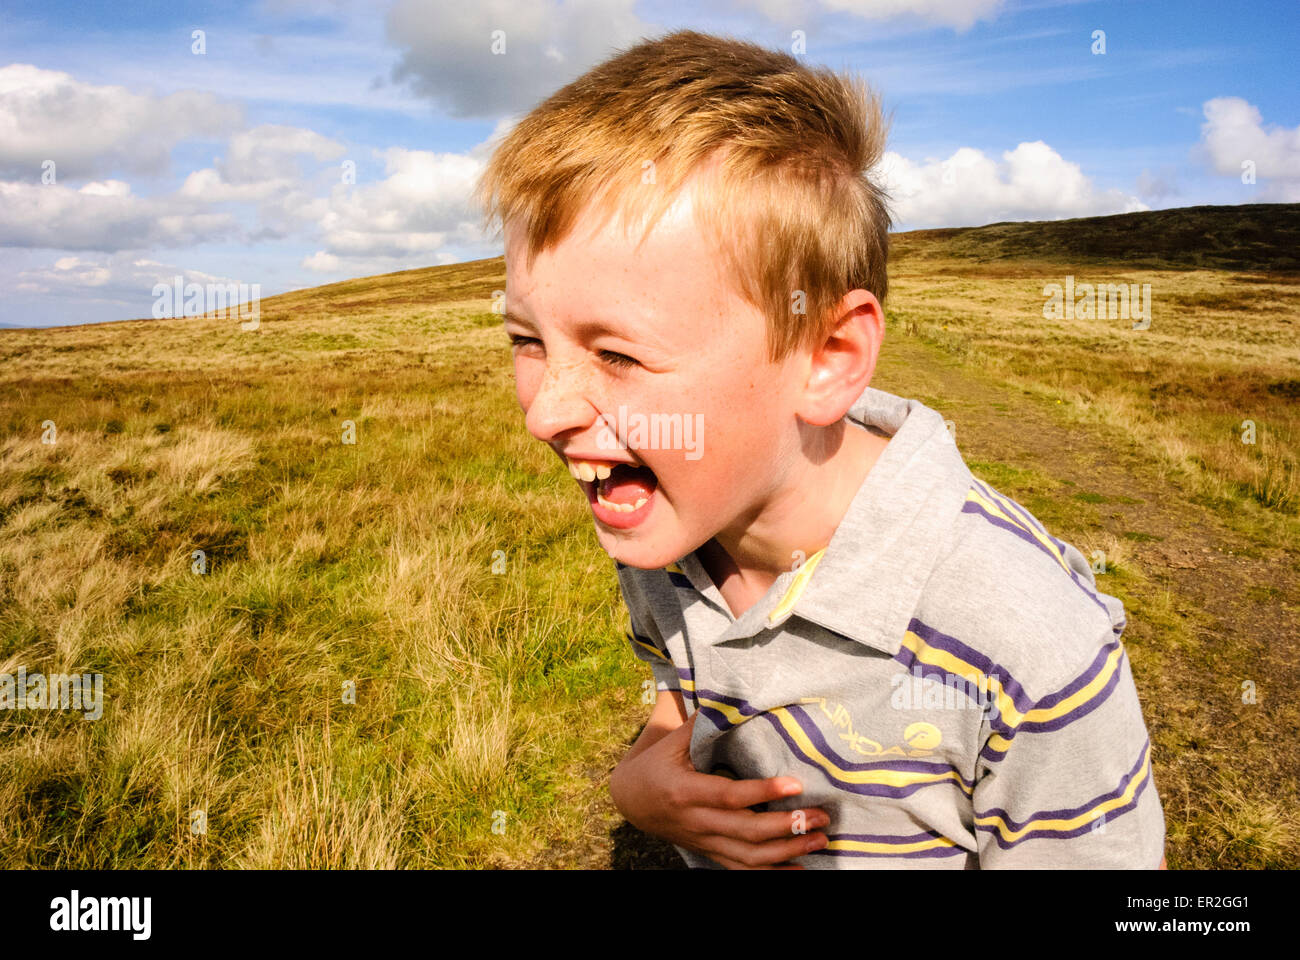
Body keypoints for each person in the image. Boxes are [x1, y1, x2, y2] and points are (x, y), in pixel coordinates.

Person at [474, 29, 1167, 869]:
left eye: (618, 355)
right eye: (527, 339)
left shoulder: (1031, 645)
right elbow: (675, 690)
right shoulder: (669, 536)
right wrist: (639, 787)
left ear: (830, 358)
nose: (544, 415)